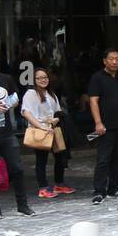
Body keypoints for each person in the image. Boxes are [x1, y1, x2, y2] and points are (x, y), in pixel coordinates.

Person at [0, 49, 35, 218]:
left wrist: (9, 103)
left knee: (17, 169)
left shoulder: (6, 79)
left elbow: (16, 98)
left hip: (6, 132)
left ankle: (23, 205)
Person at [21, 68, 72, 199]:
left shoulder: (51, 93)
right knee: (41, 159)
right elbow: (26, 112)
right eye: (39, 78)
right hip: (40, 129)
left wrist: (56, 119)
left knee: (60, 157)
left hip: (53, 128)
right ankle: (43, 188)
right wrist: (41, 127)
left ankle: (59, 183)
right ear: (34, 80)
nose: (43, 80)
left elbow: (57, 111)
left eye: (45, 77)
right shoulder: (31, 93)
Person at [88, 49, 118, 203]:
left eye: (117, 59)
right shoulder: (97, 78)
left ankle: (114, 188)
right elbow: (93, 101)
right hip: (105, 126)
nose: (114, 62)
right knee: (103, 159)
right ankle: (99, 191)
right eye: (111, 59)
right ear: (104, 61)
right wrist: (98, 122)